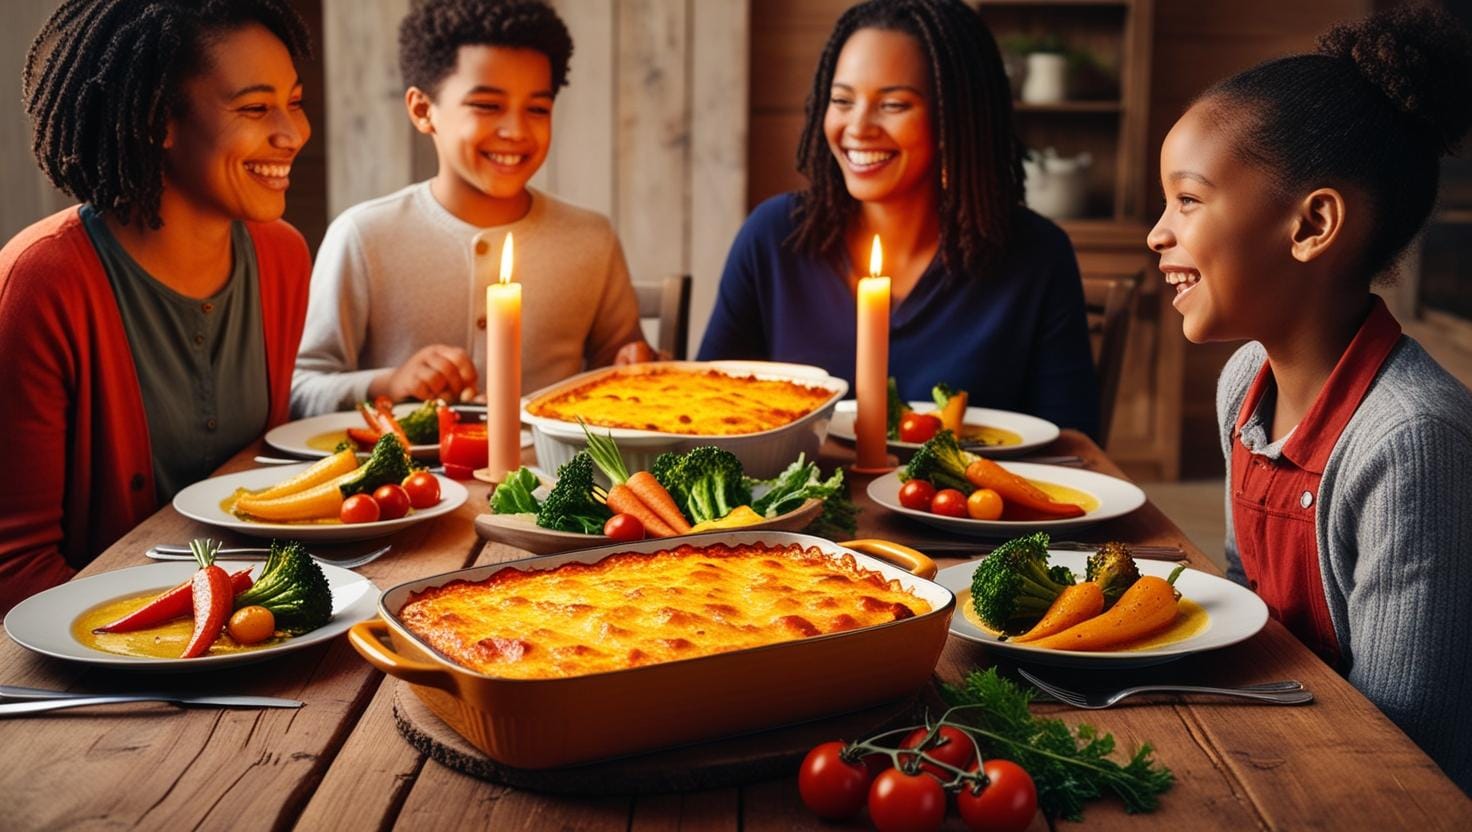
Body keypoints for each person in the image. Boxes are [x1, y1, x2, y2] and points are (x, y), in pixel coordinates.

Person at [1147, 5, 1472, 791]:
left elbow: (1408, 746)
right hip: (1286, 748)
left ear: (1313, 224)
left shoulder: (1411, 440)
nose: (1159, 233)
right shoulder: (1242, 389)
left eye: (1187, 201)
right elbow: (1250, 617)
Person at [0, 0, 314, 611]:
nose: (292, 133)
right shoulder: (42, 282)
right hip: (96, 654)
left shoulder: (283, 256)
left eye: (294, 101)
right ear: (156, 120)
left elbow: (261, 479)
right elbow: (14, 565)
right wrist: (173, 639)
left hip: (251, 618)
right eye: (255, 108)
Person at [697, 0, 1099, 438]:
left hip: (968, 505)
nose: (858, 127)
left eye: (893, 105)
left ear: (955, 117)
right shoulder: (773, 237)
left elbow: (1074, 446)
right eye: (842, 100)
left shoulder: (1036, 256)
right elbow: (702, 410)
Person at [290, 0, 649, 417]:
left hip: (549, 478)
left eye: (537, 108)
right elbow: (299, 390)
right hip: (413, 480)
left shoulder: (591, 239)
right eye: (486, 105)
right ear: (424, 110)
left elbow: (619, 373)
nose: (515, 131)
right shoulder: (365, 235)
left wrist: (637, 366)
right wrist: (390, 383)